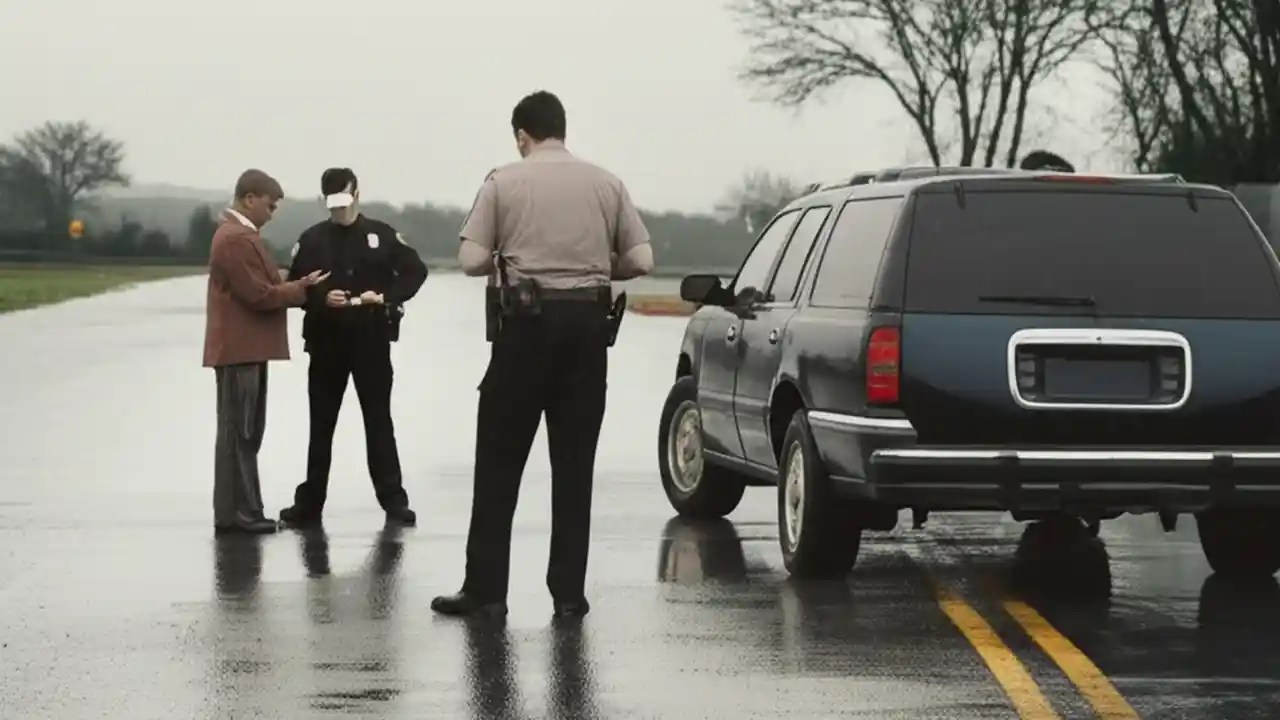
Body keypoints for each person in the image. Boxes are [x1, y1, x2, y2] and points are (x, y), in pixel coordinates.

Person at [431, 90, 655, 619]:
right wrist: (597, 268)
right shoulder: (607, 182)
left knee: (499, 463)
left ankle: (486, 590)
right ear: (563, 130)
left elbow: (469, 260)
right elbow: (641, 259)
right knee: (574, 467)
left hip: (525, 329)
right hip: (586, 329)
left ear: (521, 136)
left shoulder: (503, 180)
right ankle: (569, 594)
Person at [278, 167, 428, 529]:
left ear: (357, 195)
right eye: (332, 201)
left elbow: (415, 271)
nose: (339, 208)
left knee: (378, 422)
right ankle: (310, 503)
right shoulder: (311, 240)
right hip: (326, 342)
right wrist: (317, 297)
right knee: (321, 426)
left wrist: (387, 297)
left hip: (371, 341)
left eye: (344, 198)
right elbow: (294, 285)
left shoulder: (382, 235)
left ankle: (393, 500)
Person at [203, 169, 329, 534]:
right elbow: (258, 294)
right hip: (239, 348)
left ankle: (241, 510)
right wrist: (301, 289)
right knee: (239, 433)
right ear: (249, 198)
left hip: (246, 348)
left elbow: (261, 286)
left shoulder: (241, 236)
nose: (272, 212)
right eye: (269, 205)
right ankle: (238, 514)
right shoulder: (235, 239)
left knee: (244, 432)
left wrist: (293, 284)